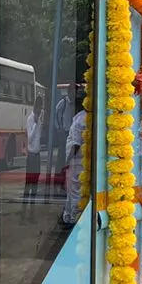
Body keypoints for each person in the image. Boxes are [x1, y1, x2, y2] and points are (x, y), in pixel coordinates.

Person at [62, 90, 88, 226]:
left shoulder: (81, 119)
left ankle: (74, 217)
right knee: (73, 189)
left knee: (75, 190)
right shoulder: (81, 116)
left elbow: (76, 144)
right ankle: (68, 215)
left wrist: (67, 161)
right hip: (80, 160)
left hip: (77, 160)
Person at [24, 90, 45, 202]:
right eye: (39, 108)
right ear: (35, 107)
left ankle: (33, 199)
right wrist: (36, 124)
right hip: (31, 154)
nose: (40, 111)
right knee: (29, 179)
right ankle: (26, 199)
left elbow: (39, 136)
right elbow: (30, 138)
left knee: (36, 177)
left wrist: (39, 122)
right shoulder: (30, 119)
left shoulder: (39, 118)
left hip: (37, 153)